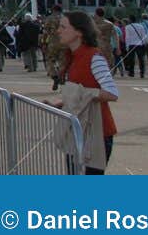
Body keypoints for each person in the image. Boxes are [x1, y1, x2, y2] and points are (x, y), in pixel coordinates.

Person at [50, 10, 119, 173]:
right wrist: (60, 104)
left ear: (79, 32)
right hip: (80, 130)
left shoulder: (94, 58)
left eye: (63, 27)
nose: (59, 31)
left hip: (96, 132)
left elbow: (112, 93)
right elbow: (81, 94)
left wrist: (84, 94)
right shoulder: (73, 56)